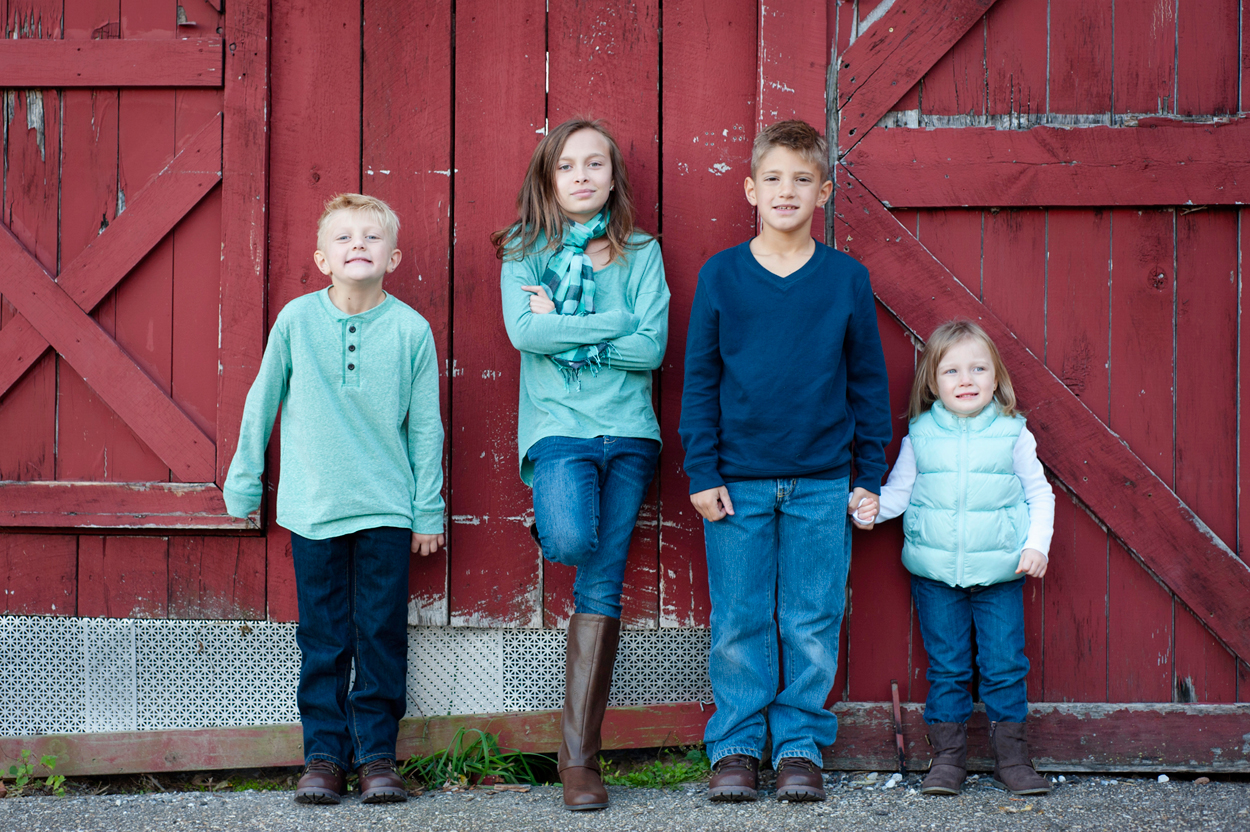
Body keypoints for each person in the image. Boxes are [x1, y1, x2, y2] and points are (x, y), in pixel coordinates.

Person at [679, 120, 892, 803]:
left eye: (802, 179)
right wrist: (702, 470)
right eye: (772, 178)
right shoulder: (722, 275)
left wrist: (868, 474)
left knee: (811, 617)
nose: (786, 190)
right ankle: (737, 745)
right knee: (739, 617)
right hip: (737, 481)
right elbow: (700, 379)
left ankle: (799, 744)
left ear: (824, 192)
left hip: (822, 481)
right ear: (750, 189)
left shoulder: (846, 279)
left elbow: (868, 383)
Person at [224, 194, 445, 805]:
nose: (358, 245)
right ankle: (323, 756)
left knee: (380, 634)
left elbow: (426, 427)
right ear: (322, 258)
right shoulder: (296, 321)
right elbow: (262, 400)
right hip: (313, 509)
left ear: (392, 257)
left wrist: (427, 509)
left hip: (385, 509)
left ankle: (376, 756)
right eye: (343, 237)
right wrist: (244, 481)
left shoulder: (411, 330)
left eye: (371, 237)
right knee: (323, 638)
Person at [495, 118, 669, 811]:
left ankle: (579, 763)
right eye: (567, 165)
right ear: (548, 177)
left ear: (613, 176)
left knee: (602, 586)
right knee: (569, 538)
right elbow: (524, 331)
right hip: (560, 430)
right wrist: (614, 324)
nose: (581, 176)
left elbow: (652, 347)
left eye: (595, 164)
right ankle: (555, 513)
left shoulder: (642, 252)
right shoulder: (524, 252)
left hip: (629, 433)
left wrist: (566, 331)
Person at [853, 319, 1054, 797]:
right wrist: (870, 508)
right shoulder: (920, 435)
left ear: (996, 377)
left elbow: (1038, 493)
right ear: (932, 382)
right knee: (948, 669)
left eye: (978, 369)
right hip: (936, 576)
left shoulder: (1012, 433)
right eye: (952, 371)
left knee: (1004, 666)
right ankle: (947, 760)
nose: (966, 380)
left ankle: (1013, 760)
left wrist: (1037, 545)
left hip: (1001, 573)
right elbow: (899, 493)